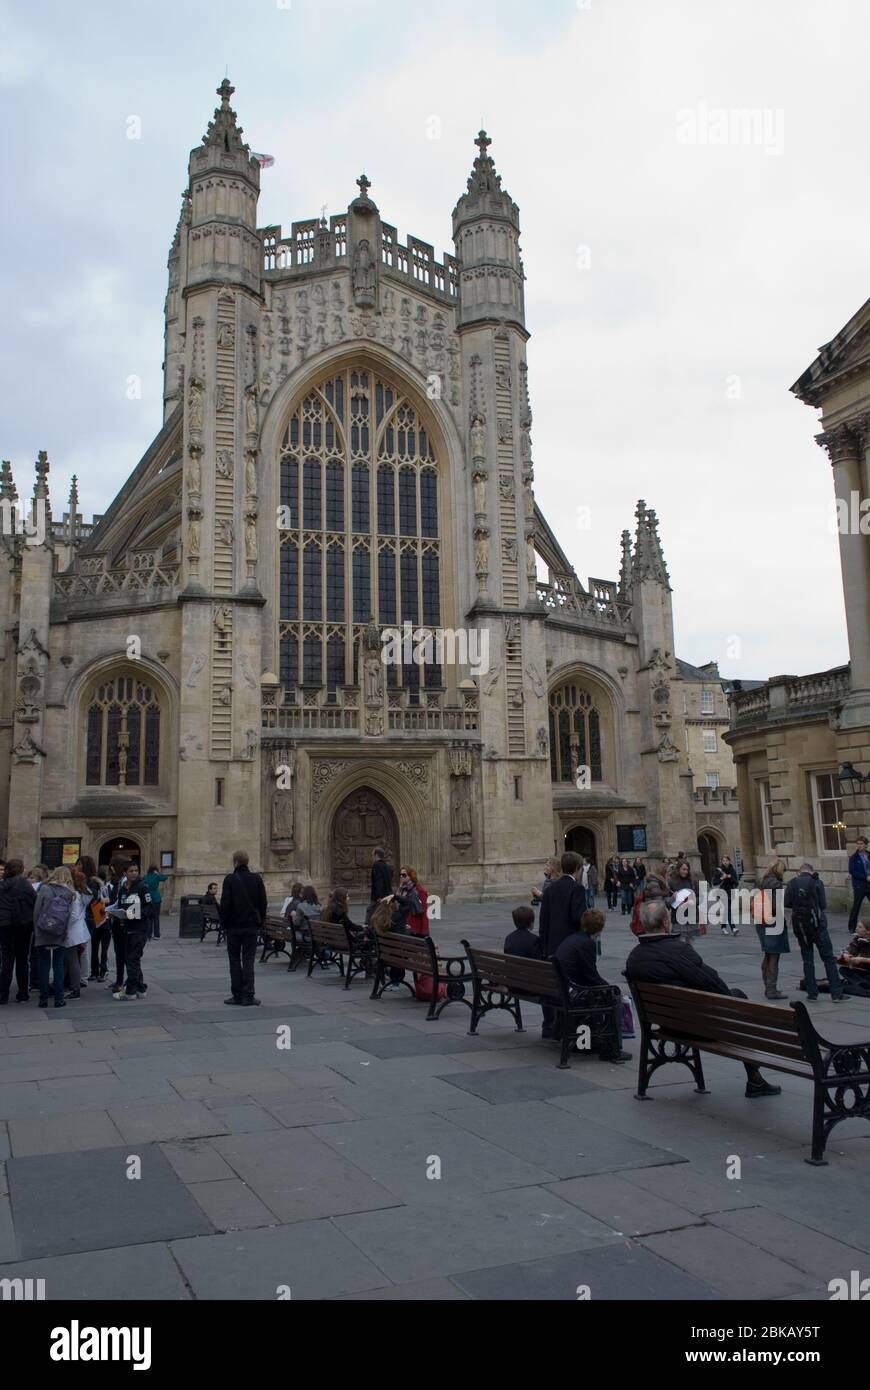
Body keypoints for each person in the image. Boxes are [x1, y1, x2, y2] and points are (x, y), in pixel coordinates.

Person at [625, 898, 781, 1097]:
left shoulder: (635, 957)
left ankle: (755, 1078)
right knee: (737, 997)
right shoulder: (678, 951)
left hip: (664, 1023)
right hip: (695, 1026)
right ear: (666, 922)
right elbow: (717, 987)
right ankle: (754, 1077)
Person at [553, 908, 630, 1060]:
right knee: (614, 997)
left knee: (600, 994)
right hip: (572, 992)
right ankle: (611, 1048)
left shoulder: (572, 938)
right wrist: (611, 988)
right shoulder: (586, 943)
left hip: (559, 988)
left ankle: (585, 1043)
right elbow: (591, 976)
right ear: (600, 928)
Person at [785, 862, 844, 1002]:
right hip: (819, 927)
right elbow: (823, 904)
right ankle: (836, 994)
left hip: (801, 927)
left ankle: (812, 993)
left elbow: (787, 903)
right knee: (828, 959)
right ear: (811, 871)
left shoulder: (791, 883)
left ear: (799, 872)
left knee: (807, 959)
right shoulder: (816, 882)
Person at [219, 850, 267, 1006]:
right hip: (251, 927)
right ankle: (248, 995)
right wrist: (260, 922)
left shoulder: (230, 880)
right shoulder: (257, 879)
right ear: (247, 862)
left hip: (234, 927)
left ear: (235, 862)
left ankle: (237, 994)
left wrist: (224, 924)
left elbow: (225, 905)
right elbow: (263, 903)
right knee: (248, 960)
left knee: (234, 960)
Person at [107, 861, 156, 1000]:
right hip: (126, 928)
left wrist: (136, 914)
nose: (134, 873)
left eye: (136, 870)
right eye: (131, 871)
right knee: (132, 959)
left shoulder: (142, 887)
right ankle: (140, 987)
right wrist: (115, 913)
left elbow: (150, 909)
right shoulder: (123, 889)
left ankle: (130, 990)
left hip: (139, 929)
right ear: (125, 873)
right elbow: (122, 906)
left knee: (132, 959)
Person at [33, 867, 77, 1008]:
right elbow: (70, 916)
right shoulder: (70, 893)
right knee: (58, 965)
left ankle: (43, 999)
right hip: (60, 932)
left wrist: (36, 930)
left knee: (44, 965)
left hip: (43, 931)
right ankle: (59, 999)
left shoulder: (44, 889)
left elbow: (37, 911)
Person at [0, 859, 36, 1004]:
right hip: (23, 924)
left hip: (4, 924)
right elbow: (34, 901)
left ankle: (3, 995)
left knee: (7, 960)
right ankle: (22, 994)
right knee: (22, 959)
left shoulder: (2, 885)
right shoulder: (25, 884)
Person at [754, 859, 789, 1000]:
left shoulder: (762, 881)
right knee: (774, 956)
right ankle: (771, 990)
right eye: (783, 870)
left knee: (768, 954)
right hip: (772, 922)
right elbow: (776, 906)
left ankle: (767, 987)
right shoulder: (776, 883)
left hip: (761, 921)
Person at [77, 856, 110, 981]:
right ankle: (95, 971)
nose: (78, 866)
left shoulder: (91, 881)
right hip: (94, 915)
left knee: (99, 946)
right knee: (94, 946)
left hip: (96, 915)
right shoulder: (89, 880)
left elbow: (96, 898)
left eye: (80, 864)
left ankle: (101, 970)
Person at [65, 868, 93, 999]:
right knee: (74, 959)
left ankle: (75, 989)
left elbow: (74, 916)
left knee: (73, 961)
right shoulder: (84, 894)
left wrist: (63, 926)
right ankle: (72, 984)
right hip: (81, 930)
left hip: (74, 931)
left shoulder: (75, 895)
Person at [838, 919, 870, 997]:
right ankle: (862, 984)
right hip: (865, 969)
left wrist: (862, 959)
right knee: (843, 969)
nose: (856, 929)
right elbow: (849, 949)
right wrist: (846, 955)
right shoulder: (858, 939)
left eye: (860, 927)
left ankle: (860, 985)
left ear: (868, 931)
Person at [711, 855, 740, 935]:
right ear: (721, 862)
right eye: (723, 861)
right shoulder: (719, 871)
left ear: (729, 861)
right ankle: (733, 928)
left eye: (726, 860)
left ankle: (723, 927)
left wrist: (730, 878)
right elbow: (714, 882)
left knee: (726, 910)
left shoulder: (732, 870)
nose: (725, 862)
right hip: (721, 892)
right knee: (728, 909)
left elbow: (736, 883)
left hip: (730, 892)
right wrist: (722, 878)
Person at [847, 836, 870, 932]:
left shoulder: (869, 855)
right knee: (856, 906)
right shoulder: (854, 857)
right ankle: (851, 927)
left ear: (866, 845)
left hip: (869, 885)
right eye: (858, 844)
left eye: (861, 844)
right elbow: (852, 871)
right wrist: (865, 877)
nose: (859, 846)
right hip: (859, 885)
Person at [142, 864, 169, 939]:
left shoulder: (145, 877)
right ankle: (156, 935)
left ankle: (148, 935)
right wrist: (158, 873)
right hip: (156, 898)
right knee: (156, 917)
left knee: (149, 917)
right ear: (155, 870)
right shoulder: (156, 876)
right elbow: (164, 878)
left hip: (148, 898)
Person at [368, 848, 393, 922]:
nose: (372, 857)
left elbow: (379, 881)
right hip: (388, 893)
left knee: (370, 911)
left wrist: (378, 895)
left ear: (376, 855)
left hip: (379, 895)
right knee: (386, 912)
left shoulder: (376, 865)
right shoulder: (387, 866)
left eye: (372, 855)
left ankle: (368, 927)